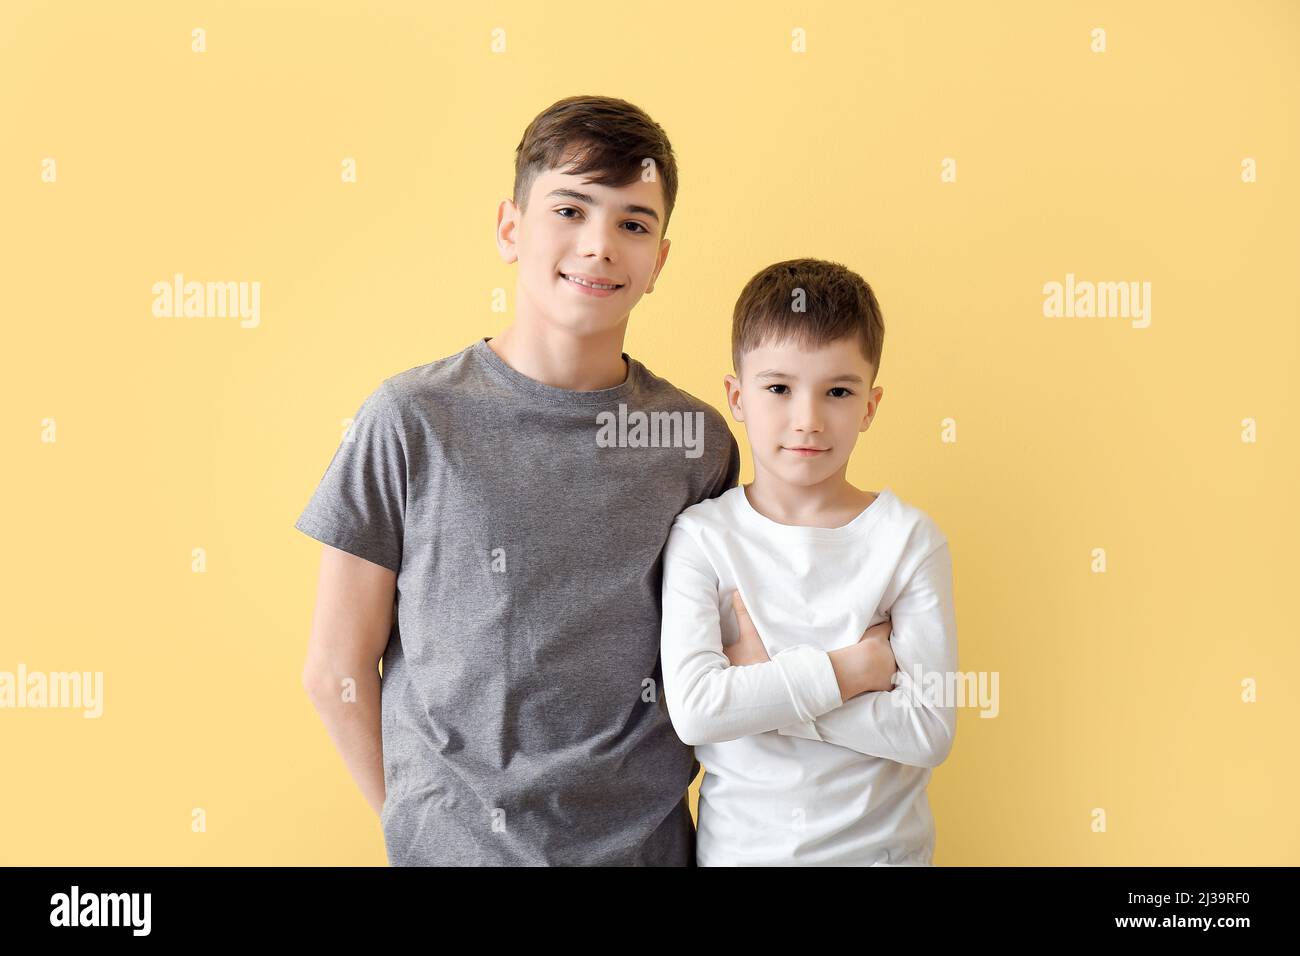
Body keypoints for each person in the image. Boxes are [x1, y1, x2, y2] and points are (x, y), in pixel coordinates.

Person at [295, 95, 739, 865]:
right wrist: (416, 827)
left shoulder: (697, 445)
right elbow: (335, 668)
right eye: (571, 209)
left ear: (659, 260)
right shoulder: (411, 419)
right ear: (511, 228)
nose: (599, 246)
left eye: (633, 223)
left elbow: (730, 660)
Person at [659, 257, 959, 865]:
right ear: (736, 396)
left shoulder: (908, 541)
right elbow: (696, 713)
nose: (808, 420)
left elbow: (928, 732)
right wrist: (855, 669)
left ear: (870, 406)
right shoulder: (703, 537)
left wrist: (765, 685)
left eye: (838, 392)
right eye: (778, 388)